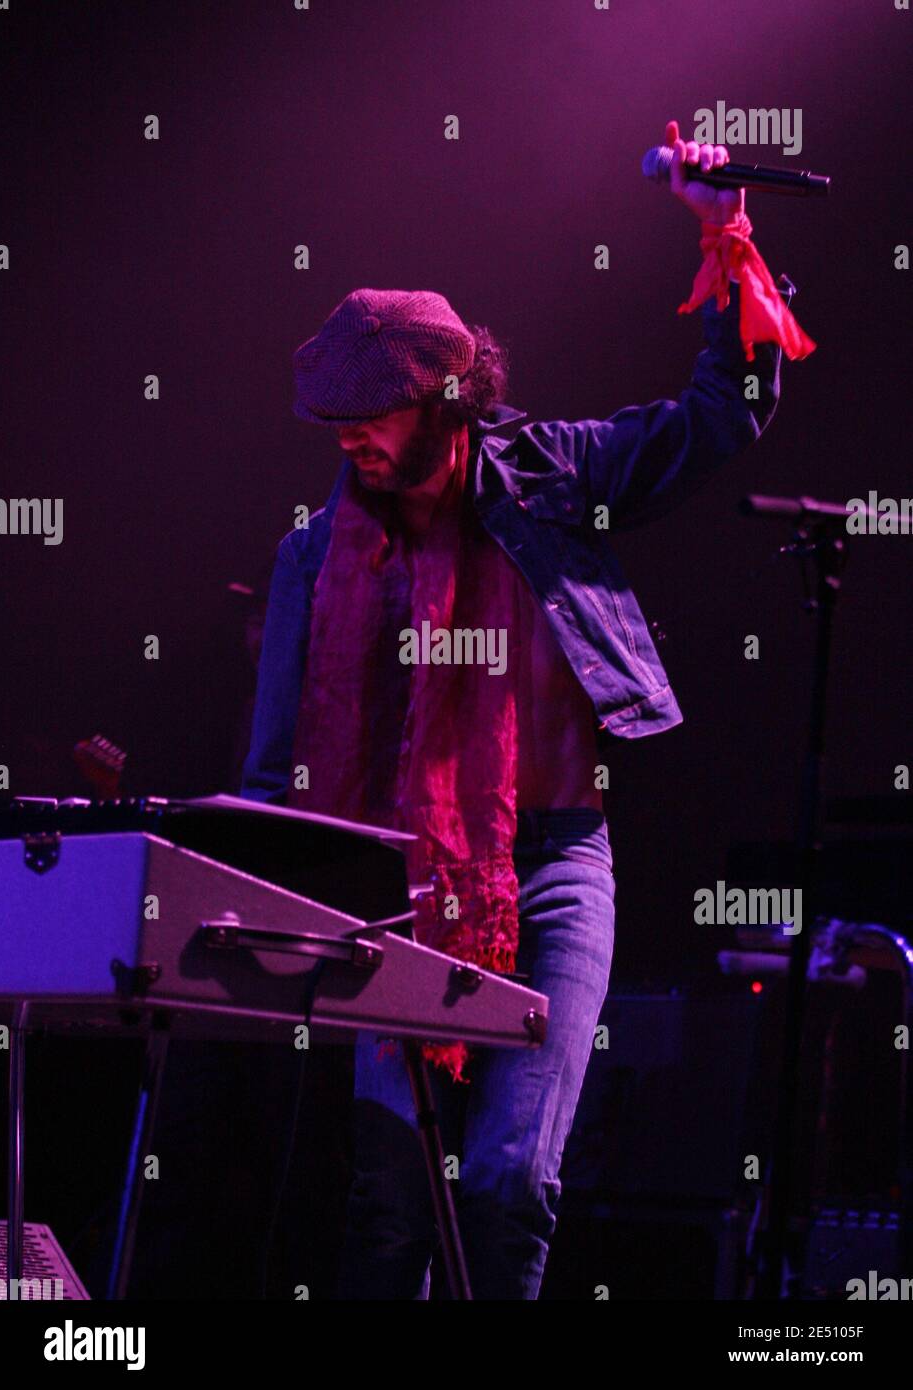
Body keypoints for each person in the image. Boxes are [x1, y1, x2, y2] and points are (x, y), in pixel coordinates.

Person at [241, 120, 814, 1299]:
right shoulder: (317, 555)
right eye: (335, 413)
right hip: (389, 882)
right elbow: (273, 758)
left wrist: (725, 238)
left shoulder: (554, 472)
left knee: (507, 1180)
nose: (349, 432)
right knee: (394, 1195)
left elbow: (721, 414)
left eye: (374, 407)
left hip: (557, 867)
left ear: (447, 400)